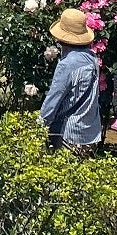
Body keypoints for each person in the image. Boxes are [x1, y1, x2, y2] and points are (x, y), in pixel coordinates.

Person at [39, 8, 103, 151]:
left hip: (70, 134)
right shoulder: (92, 58)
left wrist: (38, 127)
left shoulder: (67, 64)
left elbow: (53, 99)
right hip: (90, 131)